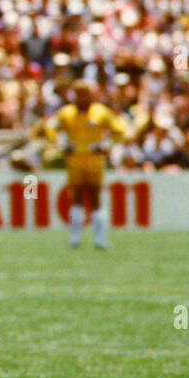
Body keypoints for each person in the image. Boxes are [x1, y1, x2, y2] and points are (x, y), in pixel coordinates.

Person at [32, 79, 136, 250]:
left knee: (96, 198)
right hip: (75, 160)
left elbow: (120, 131)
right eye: (79, 93)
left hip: (95, 161)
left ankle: (99, 238)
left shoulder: (100, 112)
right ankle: (75, 238)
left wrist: (106, 145)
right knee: (76, 198)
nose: (82, 97)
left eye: (85, 93)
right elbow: (50, 129)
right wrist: (62, 142)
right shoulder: (67, 113)